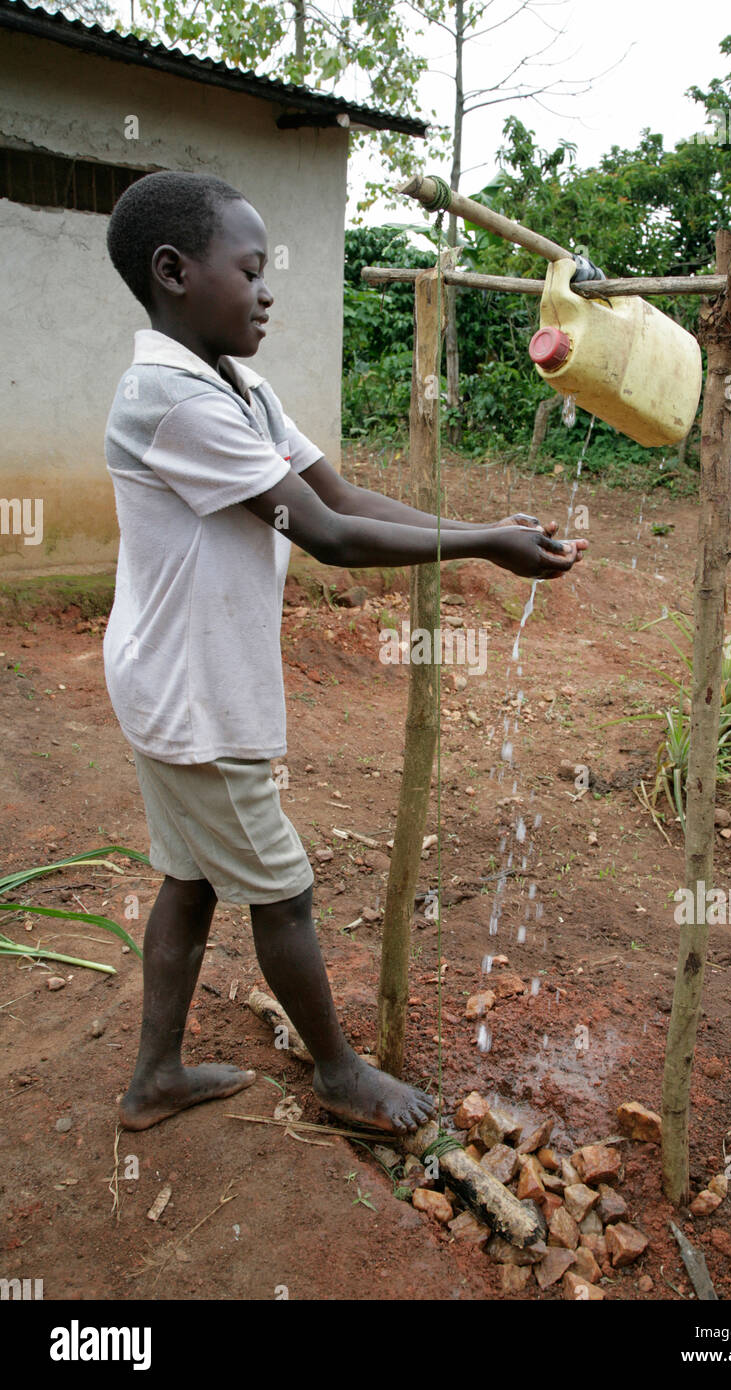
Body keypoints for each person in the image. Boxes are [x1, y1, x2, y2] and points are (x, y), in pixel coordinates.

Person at [103, 170, 585, 1136]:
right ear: (174, 272)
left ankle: (155, 1076)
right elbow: (326, 535)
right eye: (251, 269)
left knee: (192, 878)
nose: (268, 289)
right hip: (195, 698)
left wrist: (484, 526)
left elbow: (348, 498)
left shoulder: (236, 384)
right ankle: (338, 1074)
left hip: (175, 678)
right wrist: (485, 542)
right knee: (283, 891)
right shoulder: (171, 400)